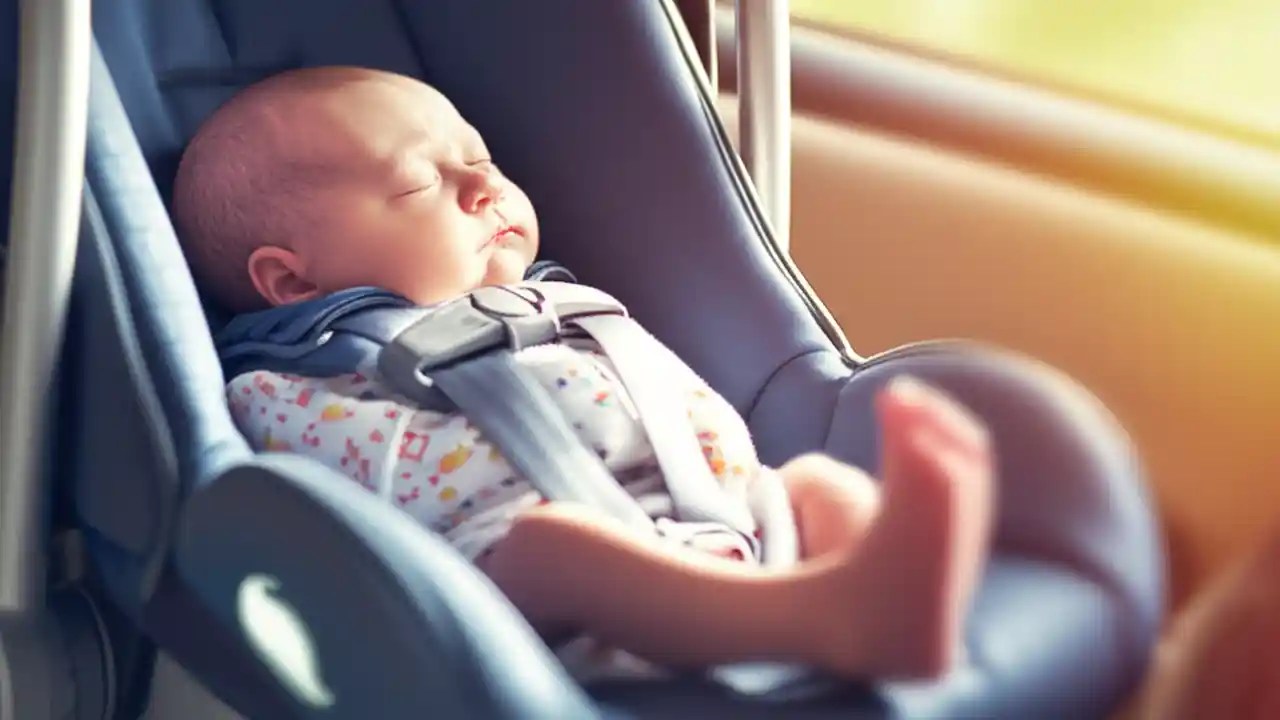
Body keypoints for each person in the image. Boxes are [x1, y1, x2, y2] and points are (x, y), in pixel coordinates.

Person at [172, 66, 995, 681]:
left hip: (718, 512)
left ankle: (883, 594)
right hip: (523, 595)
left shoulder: (549, 304)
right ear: (291, 282)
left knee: (820, 483)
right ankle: (818, 618)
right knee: (551, 546)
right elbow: (324, 513)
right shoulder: (283, 383)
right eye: (424, 181)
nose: (485, 187)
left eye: (480, 160)